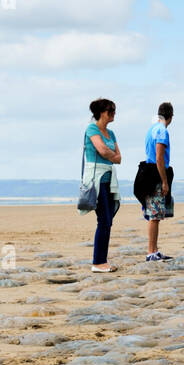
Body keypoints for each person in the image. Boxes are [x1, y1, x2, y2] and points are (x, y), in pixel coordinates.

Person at [81, 98, 121, 273]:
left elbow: (119, 158)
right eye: (110, 110)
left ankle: (101, 260)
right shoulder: (92, 128)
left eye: (114, 110)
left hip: (109, 178)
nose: (113, 113)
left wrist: (110, 154)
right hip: (96, 179)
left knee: (108, 220)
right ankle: (98, 262)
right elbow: (103, 150)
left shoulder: (111, 134)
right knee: (103, 220)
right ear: (101, 112)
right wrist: (110, 154)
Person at [137, 102, 174, 262]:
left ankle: (155, 250)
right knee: (154, 215)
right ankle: (151, 251)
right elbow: (159, 157)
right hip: (155, 174)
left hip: (149, 172)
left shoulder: (152, 129)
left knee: (156, 214)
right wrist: (164, 181)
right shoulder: (162, 131)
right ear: (170, 116)